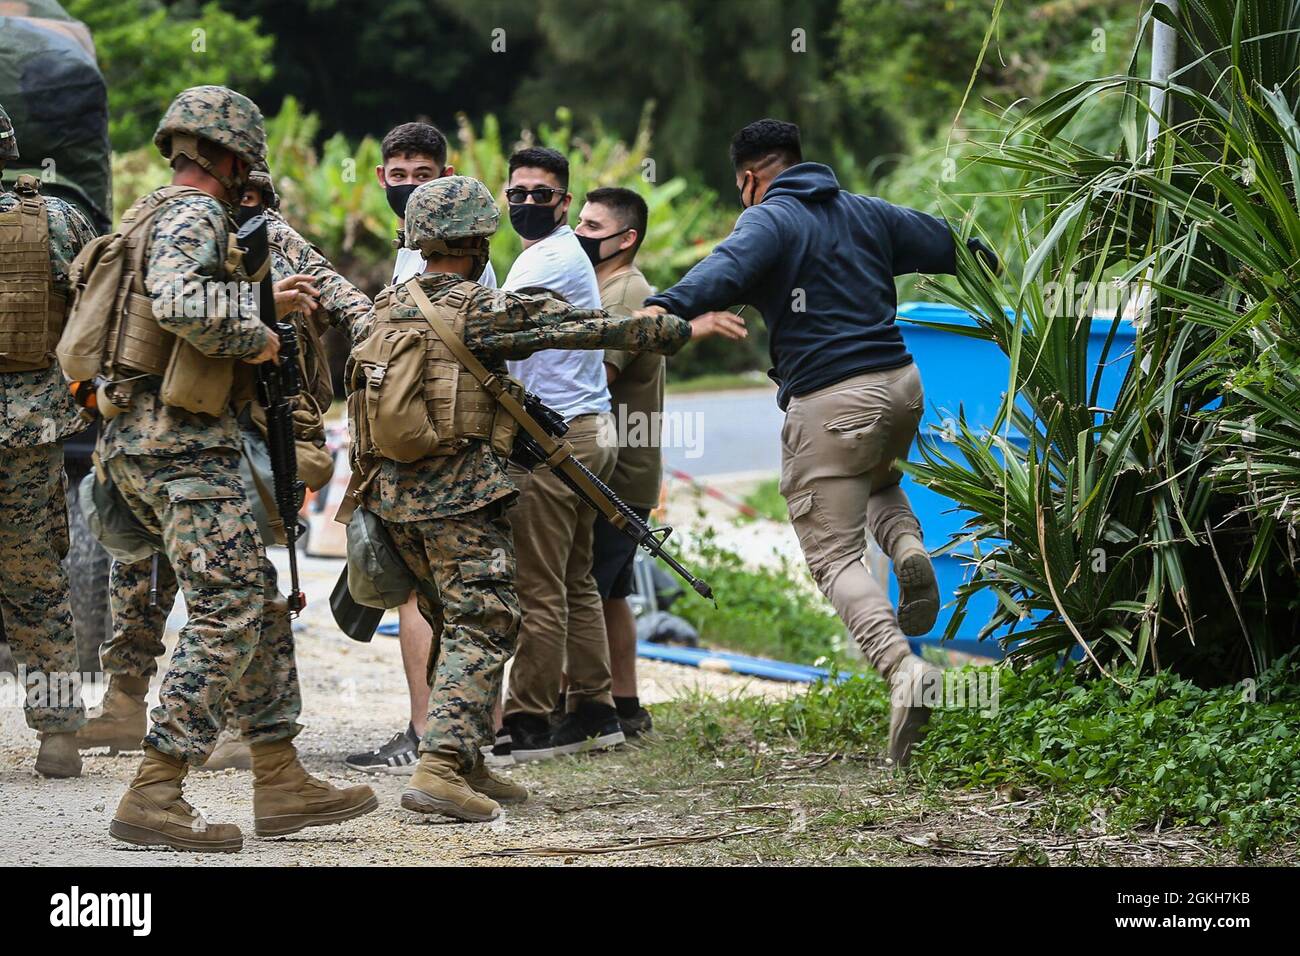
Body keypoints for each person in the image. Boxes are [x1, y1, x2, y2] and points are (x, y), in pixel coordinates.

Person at [332, 176, 742, 822]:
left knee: (450, 620)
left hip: (391, 497)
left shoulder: (386, 305)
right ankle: (440, 768)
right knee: (489, 618)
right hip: (458, 497)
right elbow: (581, 327)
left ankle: (465, 758)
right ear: (475, 239)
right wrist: (671, 331)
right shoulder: (478, 306)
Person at [643, 119, 998, 765]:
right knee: (879, 481)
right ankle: (910, 547)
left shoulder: (769, 220)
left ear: (750, 177)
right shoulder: (866, 211)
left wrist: (662, 307)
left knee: (833, 557)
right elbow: (957, 247)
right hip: (901, 386)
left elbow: (721, 274)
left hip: (832, 401)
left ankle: (901, 670)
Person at [98, 86, 375, 852]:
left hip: (140, 443)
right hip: (182, 447)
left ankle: (279, 774)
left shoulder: (145, 213)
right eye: (243, 162)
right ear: (227, 158)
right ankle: (155, 788)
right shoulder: (195, 213)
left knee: (255, 597)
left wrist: (261, 297)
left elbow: (165, 303)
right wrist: (258, 331)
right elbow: (183, 305)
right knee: (227, 610)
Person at [346, 121, 499, 774]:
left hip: (418, 474)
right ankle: (442, 753)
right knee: (474, 612)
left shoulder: (407, 287)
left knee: (453, 608)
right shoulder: (437, 273)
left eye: (422, 176)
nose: (407, 187)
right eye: (398, 175)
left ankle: (452, 748)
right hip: (440, 477)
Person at [493, 146, 621, 764]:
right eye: (516, 193)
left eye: (539, 194)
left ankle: (528, 721)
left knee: (538, 587)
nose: (524, 204)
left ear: (563, 202)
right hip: (589, 430)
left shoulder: (545, 259)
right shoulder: (552, 253)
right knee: (575, 581)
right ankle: (597, 710)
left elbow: (491, 335)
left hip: (557, 439)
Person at [0, 99, 96, 778]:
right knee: (35, 582)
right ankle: (59, 732)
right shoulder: (56, 218)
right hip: (28, 430)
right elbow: (94, 315)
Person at [574, 187, 657, 737]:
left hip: (614, 470)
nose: (580, 235)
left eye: (593, 227)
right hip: (624, 466)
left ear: (625, 239)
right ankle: (626, 704)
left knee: (584, 589)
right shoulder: (609, 284)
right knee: (611, 591)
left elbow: (597, 376)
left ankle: (591, 707)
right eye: (579, 222)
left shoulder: (624, 292)